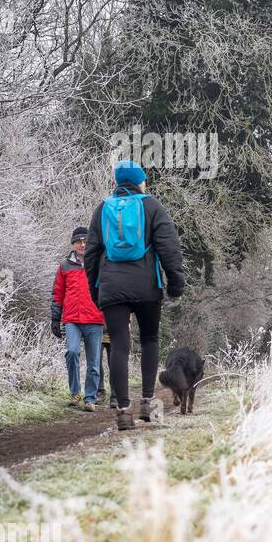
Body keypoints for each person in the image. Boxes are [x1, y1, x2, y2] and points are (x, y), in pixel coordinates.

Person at [84, 160, 186, 431]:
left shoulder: (102, 209)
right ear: (139, 181)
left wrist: (96, 289)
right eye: (144, 179)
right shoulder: (152, 206)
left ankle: (123, 412)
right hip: (146, 287)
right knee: (150, 339)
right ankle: (148, 405)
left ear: (118, 183)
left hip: (112, 287)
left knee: (119, 344)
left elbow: (91, 253)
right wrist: (176, 283)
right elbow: (169, 248)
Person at [51, 227, 106, 411]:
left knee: (94, 362)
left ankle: (90, 398)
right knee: (72, 352)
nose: (82, 244)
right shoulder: (65, 266)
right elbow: (58, 293)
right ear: (73, 244)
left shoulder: (100, 263)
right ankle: (75, 392)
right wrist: (55, 318)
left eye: (85, 241)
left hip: (95, 319)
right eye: (78, 241)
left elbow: (108, 290)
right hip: (72, 319)